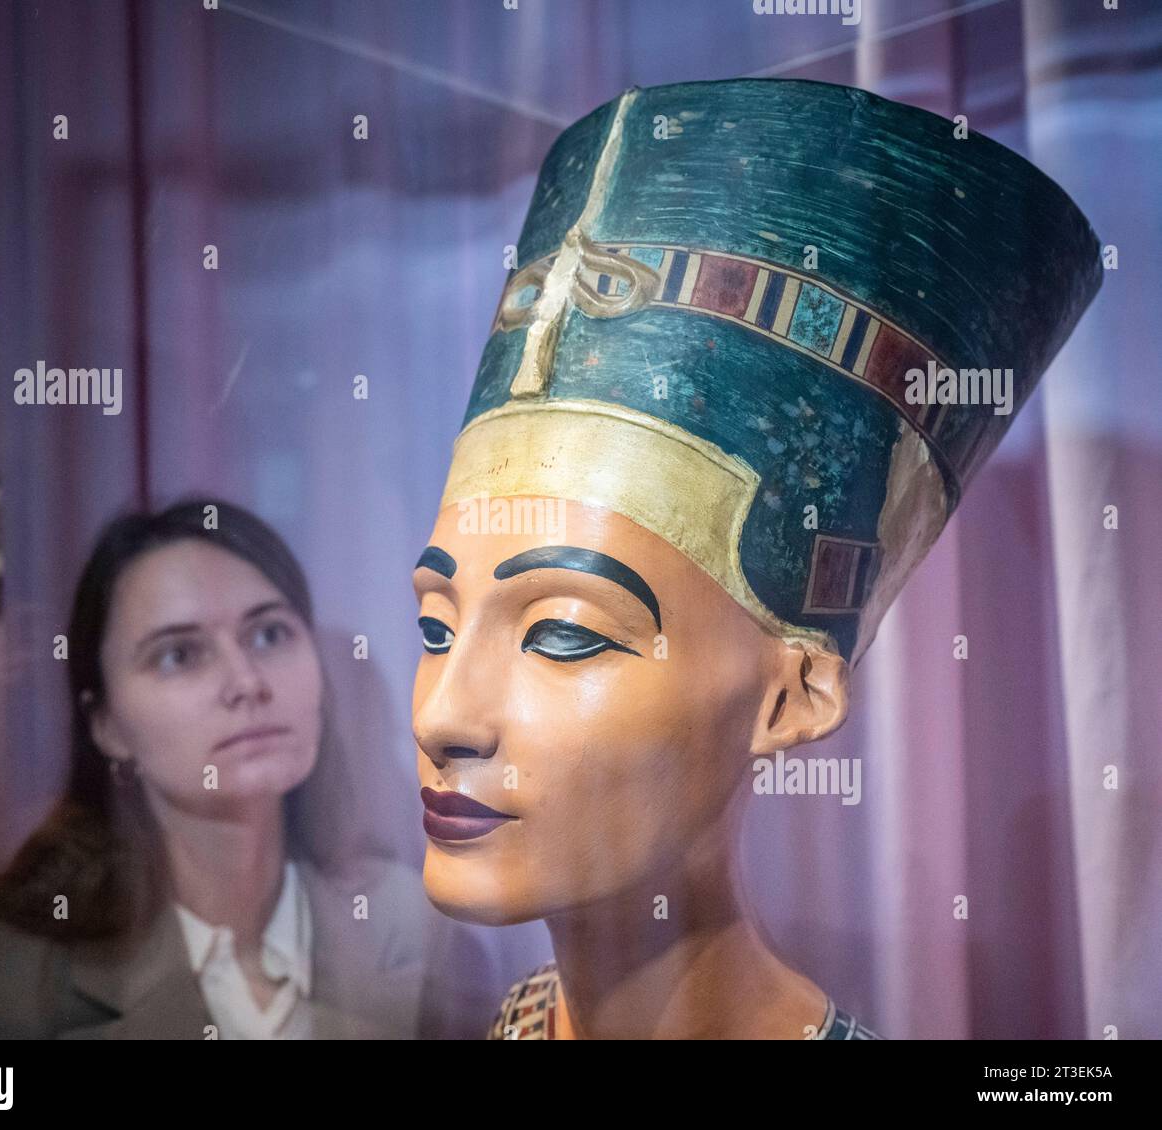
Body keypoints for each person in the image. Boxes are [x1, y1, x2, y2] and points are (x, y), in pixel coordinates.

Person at [409, 78, 1101, 1039]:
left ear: (792, 697)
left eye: (562, 634)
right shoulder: (518, 1020)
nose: (444, 715)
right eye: (433, 627)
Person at [0, 498, 433, 1039]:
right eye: (179, 654)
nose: (246, 683)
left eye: (268, 634)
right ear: (106, 724)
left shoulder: (420, 936)